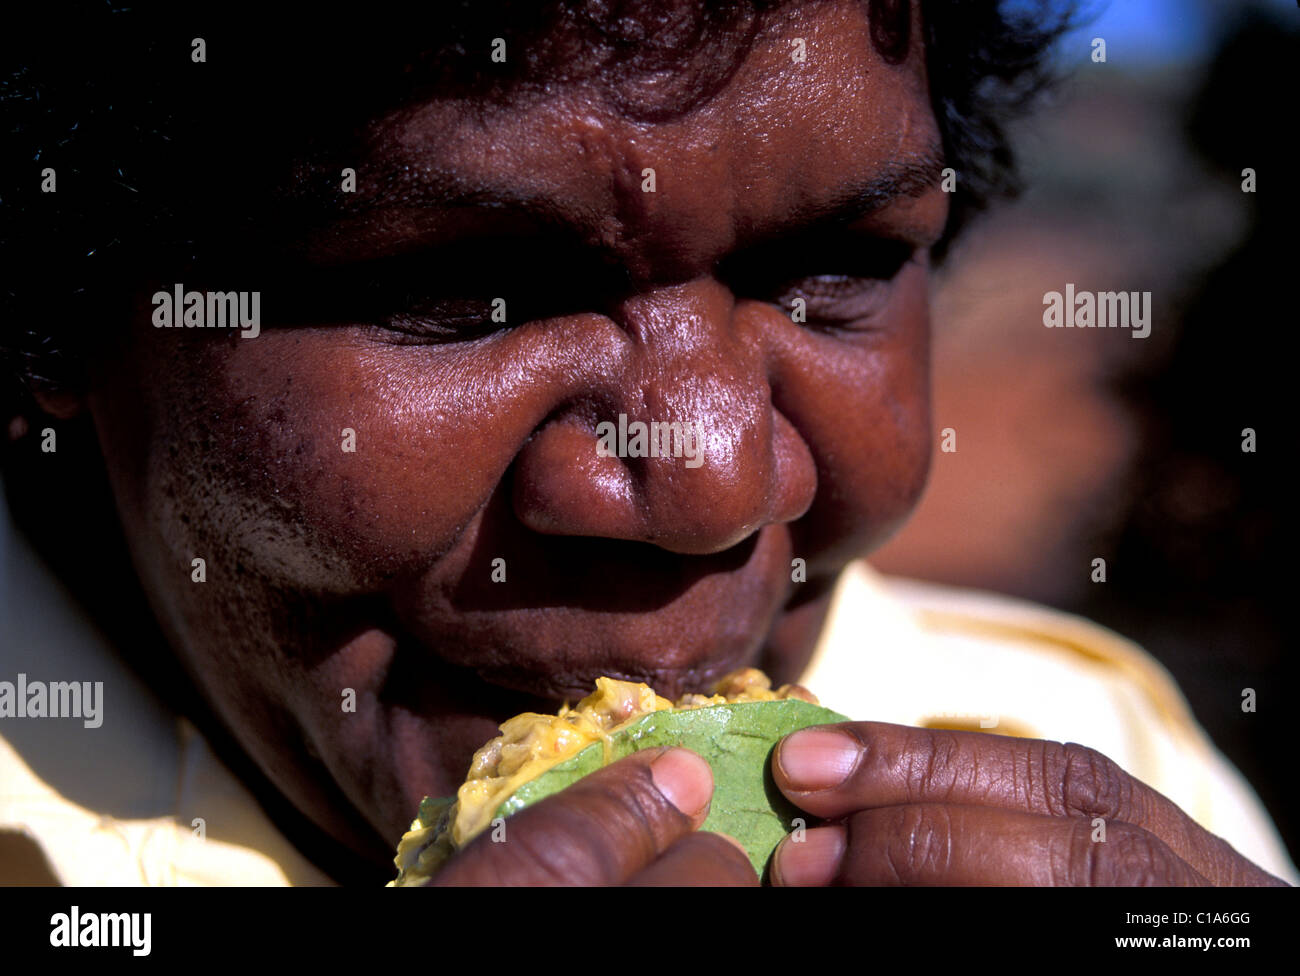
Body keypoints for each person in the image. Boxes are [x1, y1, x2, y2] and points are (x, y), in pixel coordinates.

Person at [1, 0, 1293, 886]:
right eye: (473, 296)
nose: (718, 485)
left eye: (832, 274)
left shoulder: (1101, 761)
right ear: (55, 314)